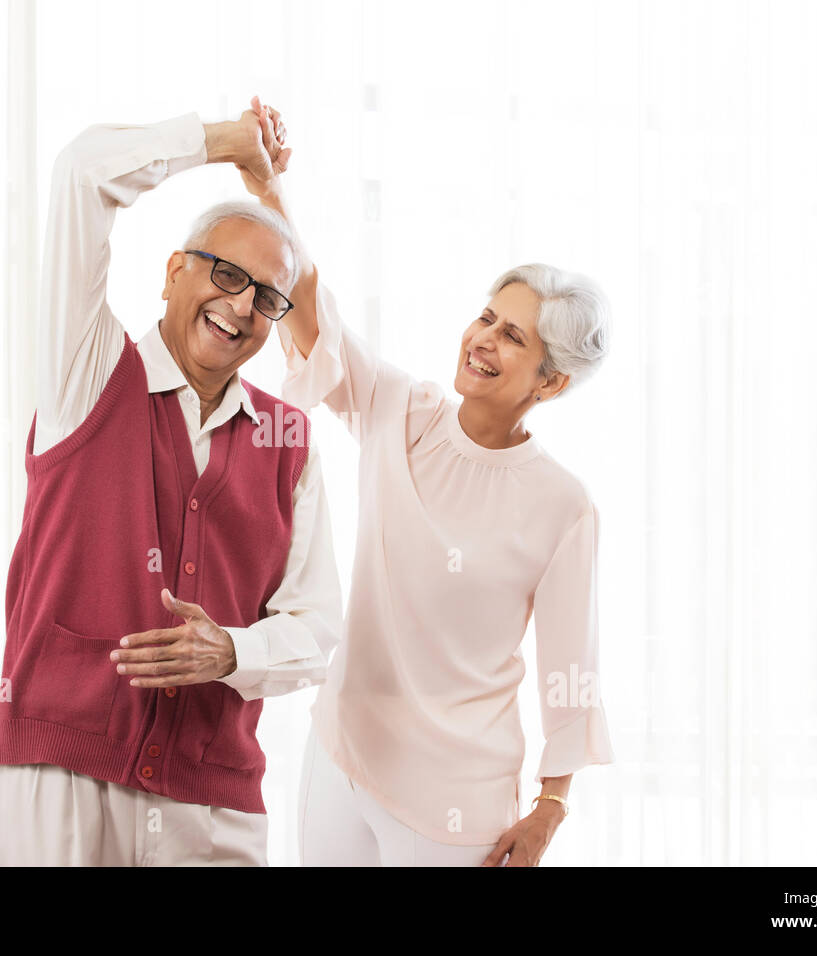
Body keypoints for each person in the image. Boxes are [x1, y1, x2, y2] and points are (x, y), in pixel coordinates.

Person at [243, 102, 615, 866]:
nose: (483, 339)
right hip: (342, 754)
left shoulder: (563, 505)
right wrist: (269, 188)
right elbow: (319, 317)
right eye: (487, 316)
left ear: (549, 384)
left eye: (513, 337)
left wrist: (552, 805)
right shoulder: (400, 409)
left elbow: (570, 665)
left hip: (457, 804)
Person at [0, 101, 343, 866]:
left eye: (267, 296)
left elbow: (319, 628)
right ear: (175, 270)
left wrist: (232, 652)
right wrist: (224, 144)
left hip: (212, 801)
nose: (242, 305)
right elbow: (82, 173)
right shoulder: (86, 374)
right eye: (226, 273)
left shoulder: (289, 440)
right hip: (63, 771)